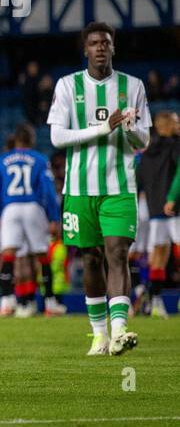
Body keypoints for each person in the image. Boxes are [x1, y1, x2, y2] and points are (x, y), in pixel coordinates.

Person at [49, 22, 151, 355]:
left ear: (113, 48)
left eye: (105, 43)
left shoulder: (132, 86)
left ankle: (119, 330)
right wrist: (102, 128)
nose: (100, 48)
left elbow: (144, 139)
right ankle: (99, 334)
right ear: (85, 49)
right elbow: (57, 137)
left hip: (120, 186)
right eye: (94, 43)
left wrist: (130, 128)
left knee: (117, 253)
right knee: (90, 259)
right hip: (79, 189)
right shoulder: (67, 86)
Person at [0, 122, 60, 317]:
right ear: (32, 139)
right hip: (32, 207)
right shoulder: (39, 159)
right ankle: (50, 303)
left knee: (8, 255)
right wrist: (53, 217)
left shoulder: (2, 160)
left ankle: (6, 302)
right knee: (42, 256)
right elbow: (48, 191)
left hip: (10, 208)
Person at [136, 111, 179, 316]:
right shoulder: (175, 144)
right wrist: (172, 197)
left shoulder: (147, 151)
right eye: (176, 121)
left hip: (154, 209)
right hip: (174, 206)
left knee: (159, 255)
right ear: (167, 125)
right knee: (171, 250)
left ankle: (155, 301)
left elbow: (138, 180)